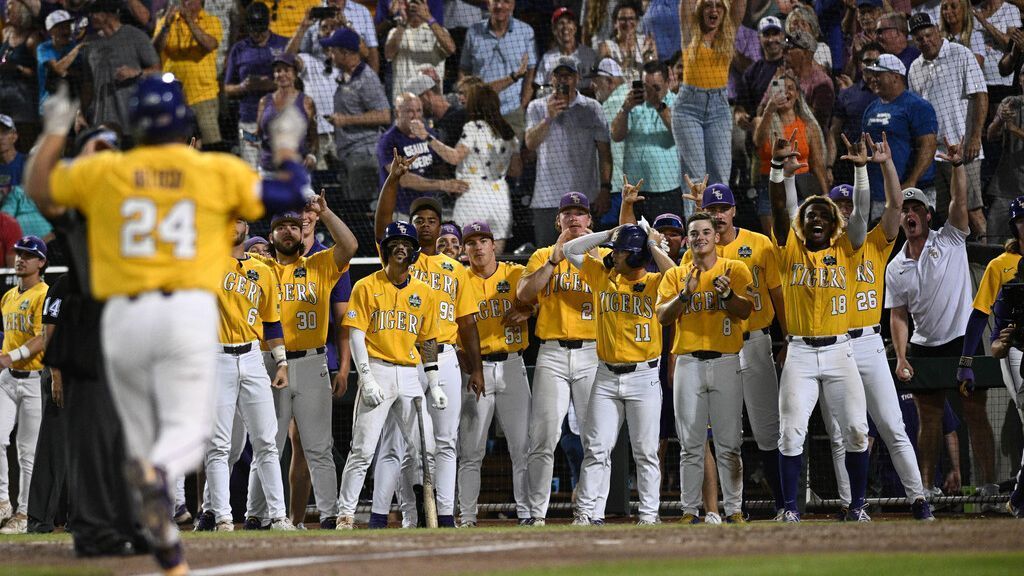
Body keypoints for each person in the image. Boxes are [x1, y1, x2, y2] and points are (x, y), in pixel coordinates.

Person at [24, 75, 319, 574]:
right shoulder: (211, 170)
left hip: (121, 317)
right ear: (183, 121)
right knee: (191, 429)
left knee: (135, 428)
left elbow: (37, 185)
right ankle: (157, 476)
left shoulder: (107, 172)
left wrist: (55, 126)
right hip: (184, 313)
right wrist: (287, 143)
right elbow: (291, 190)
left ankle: (161, 534)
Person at [817, 133, 934, 521]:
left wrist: (883, 164)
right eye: (839, 205)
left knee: (892, 425)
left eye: (850, 204)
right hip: (833, 347)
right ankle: (856, 506)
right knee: (843, 434)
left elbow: (897, 204)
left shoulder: (877, 241)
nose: (846, 210)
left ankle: (919, 500)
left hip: (868, 343)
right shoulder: (819, 251)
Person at [886, 138, 999, 512]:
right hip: (925, 346)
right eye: (905, 209)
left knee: (975, 413)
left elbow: (959, 205)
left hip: (963, 344)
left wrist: (956, 168)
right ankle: (926, 490)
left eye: (917, 207)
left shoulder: (950, 238)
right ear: (901, 218)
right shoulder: (895, 267)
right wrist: (902, 357)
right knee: (929, 419)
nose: (911, 213)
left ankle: (990, 487)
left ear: (928, 216)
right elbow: (898, 315)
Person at [371, 169, 484, 529]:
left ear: (440, 227)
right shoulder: (400, 258)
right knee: (402, 442)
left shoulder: (456, 269)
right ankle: (408, 515)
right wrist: (392, 181)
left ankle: (446, 515)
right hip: (404, 357)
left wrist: (477, 368)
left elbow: (467, 322)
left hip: (446, 357)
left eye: (431, 221)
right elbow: (381, 226)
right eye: (418, 220)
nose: (424, 225)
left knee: (446, 440)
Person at [769, 129, 871, 522]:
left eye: (824, 215)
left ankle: (858, 507)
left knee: (857, 430)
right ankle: (790, 510)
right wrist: (778, 169)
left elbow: (860, 215)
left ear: (833, 225)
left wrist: (861, 173)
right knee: (791, 432)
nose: (816, 218)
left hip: (839, 350)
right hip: (799, 353)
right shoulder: (790, 248)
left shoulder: (845, 248)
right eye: (810, 214)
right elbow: (781, 210)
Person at [673, 178, 789, 519]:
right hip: (712, 349)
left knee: (766, 429)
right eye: (711, 210)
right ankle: (714, 509)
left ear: (734, 211)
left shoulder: (759, 243)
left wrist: (788, 339)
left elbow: (778, 295)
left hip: (753, 342)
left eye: (723, 208)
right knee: (714, 434)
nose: (718, 215)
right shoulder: (696, 252)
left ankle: (784, 505)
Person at [246, 201, 357, 530]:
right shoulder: (259, 268)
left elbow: (349, 245)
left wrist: (325, 212)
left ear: (304, 232)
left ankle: (328, 514)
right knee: (268, 444)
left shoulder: (320, 264)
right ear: (272, 236)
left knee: (319, 446)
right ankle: (256, 515)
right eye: (281, 227)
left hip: (312, 363)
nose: (289, 231)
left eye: (294, 226)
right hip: (269, 363)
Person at [566, 218, 674, 526]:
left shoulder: (654, 283)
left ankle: (649, 516)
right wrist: (609, 235)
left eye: (622, 252)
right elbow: (570, 249)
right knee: (597, 449)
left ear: (638, 255)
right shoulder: (603, 274)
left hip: (644, 376)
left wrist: (652, 244)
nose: (614, 255)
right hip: (606, 376)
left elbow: (677, 276)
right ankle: (586, 514)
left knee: (646, 452)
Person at [336, 220, 442, 530]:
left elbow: (429, 340)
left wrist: (433, 382)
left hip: (410, 375)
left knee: (426, 450)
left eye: (406, 244)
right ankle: (345, 515)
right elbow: (356, 334)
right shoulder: (366, 285)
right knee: (363, 449)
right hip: (378, 370)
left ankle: (418, 517)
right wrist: (366, 377)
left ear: (414, 252)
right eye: (394, 242)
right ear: (384, 249)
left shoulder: (425, 292)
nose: (401, 247)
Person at [656, 210, 754, 524]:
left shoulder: (735, 269)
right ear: (689, 239)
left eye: (705, 232)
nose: (700, 238)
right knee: (690, 444)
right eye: (694, 233)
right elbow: (663, 317)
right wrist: (685, 294)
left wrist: (726, 294)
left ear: (715, 237)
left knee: (729, 443)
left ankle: (735, 509)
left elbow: (744, 311)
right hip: (688, 362)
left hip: (726, 360)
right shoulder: (676, 275)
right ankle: (689, 510)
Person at [517, 191, 608, 526]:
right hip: (552, 353)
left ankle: (591, 512)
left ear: (589, 221)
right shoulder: (543, 254)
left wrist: (594, 251)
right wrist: (554, 260)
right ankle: (535, 515)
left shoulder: (604, 257)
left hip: (592, 353)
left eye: (580, 213)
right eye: (567, 213)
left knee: (594, 439)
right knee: (543, 438)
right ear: (558, 221)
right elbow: (524, 295)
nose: (573, 218)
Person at [202, 219, 296, 532]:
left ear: (246, 226)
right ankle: (223, 518)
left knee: (267, 441)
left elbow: (272, 322)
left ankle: (279, 516)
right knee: (219, 445)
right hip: (216, 356)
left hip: (254, 356)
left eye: (239, 219)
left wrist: (281, 362)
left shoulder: (264, 270)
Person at [456, 221, 533, 526]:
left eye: (482, 240)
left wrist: (529, 310)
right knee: (471, 451)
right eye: (471, 242)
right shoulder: (459, 279)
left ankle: (528, 514)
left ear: (493, 244)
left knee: (522, 447)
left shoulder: (515, 273)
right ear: (465, 249)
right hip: (478, 369)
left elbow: (543, 300)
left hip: (513, 365)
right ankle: (468, 516)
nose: (477, 247)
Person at [956, 196, 1024, 518]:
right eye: (1022, 220)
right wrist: (966, 362)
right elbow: (979, 314)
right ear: (1015, 226)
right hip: (1013, 350)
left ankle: (1017, 499)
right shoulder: (1000, 264)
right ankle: (1017, 500)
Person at [908, 13, 988, 239]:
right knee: (945, 213)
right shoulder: (915, 67)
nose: (925, 41)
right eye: (919, 38)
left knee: (972, 209)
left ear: (937, 30)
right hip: (935, 154)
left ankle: (989, 257)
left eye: (928, 34)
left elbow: (980, 95)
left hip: (963, 148)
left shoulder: (960, 54)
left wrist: (975, 137)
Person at [422, 84, 521, 254]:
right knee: (494, 260)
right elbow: (516, 171)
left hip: (473, 196)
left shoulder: (473, 127)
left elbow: (454, 157)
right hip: (500, 199)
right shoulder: (508, 132)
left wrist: (427, 138)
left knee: (463, 256)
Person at [525, 56, 611, 247]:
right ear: (552, 78)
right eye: (559, 75)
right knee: (548, 259)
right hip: (547, 199)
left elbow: (605, 153)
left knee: (586, 260)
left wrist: (605, 189)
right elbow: (530, 143)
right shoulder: (537, 107)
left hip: (584, 198)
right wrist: (548, 118)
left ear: (577, 78)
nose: (563, 80)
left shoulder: (592, 107)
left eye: (568, 75)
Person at [0, 236, 49, 535]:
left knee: (27, 453)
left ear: (41, 262)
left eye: (28, 255)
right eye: (19, 254)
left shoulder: (44, 293)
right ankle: (2, 501)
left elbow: (43, 337)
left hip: (33, 380)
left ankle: (24, 513)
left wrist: (10, 356)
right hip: (7, 380)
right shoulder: (7, 296)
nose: (20, 259)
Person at [672, 0, 746, 191]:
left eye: (718, 6)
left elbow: (740, 4)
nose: (713, 10)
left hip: (719, 109)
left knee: (720, 177)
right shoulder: (690, 34)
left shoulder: (727, 35)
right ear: (700, 10)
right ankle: (695, 221)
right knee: (695, 179)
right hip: (688, 109)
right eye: (707, 5)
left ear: (724, 11)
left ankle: (718, 220)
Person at [861, 54, 937, 219]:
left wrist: (912, 181)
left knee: (917, 240)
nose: (873, 79)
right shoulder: (871, 109)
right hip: (880, 193)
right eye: (872, 75)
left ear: (896, 76)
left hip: (913, 192)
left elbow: (928, 145)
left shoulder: (917, 105)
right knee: (882, 242)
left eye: (878, 75)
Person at [753, 70, 829, 231]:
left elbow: (817, 164)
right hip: (770, 187)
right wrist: (769, 110)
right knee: (775, 241)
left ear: (797, 95)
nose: (786, 92)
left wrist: (825, 194)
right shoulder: (762, 121)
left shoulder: (809, 126)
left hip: (802, 187)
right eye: (780, 88)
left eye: (790, 88)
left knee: (802, 239)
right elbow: (758, 142)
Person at [322, 27, 391, 202]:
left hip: (365, 157)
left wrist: (346, 120)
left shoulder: (367, 79)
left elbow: (384, 115)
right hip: (351, 154)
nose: (330, 54)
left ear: (345, 53)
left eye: (333, 50)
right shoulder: (346, 75)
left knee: (364, 209)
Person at [610, 60, 680, 223]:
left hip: (666, 191)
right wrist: (625, 109)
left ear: (668, 83)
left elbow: (679, 134)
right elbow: (616, 135)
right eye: (645, 87)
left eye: (655, 88)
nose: (649, 93)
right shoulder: (633, 104)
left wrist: (658, 105)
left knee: (666, 244)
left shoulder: (677, 102)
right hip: (634, 192)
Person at [379, 92, 467, 217]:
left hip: (429, 209)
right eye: (410, 111)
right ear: (398, 112)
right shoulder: (388, 140)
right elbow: (404, 179)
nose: (415, 116)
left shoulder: (428, 135)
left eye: (419, 111)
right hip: (400, 212)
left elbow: (440, 165)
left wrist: (454, 187)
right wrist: (444, 185)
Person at [224, 2, 289, 169]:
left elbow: (296, 82)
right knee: (251, 168)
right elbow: (227, 88)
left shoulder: (282, 44)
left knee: (280, 168)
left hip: (280, 118)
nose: (257, 34)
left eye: (260, 29)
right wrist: (244, 87)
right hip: (249, 121)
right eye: (253, 29)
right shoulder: (239, 49)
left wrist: (272, 84)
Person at [459, 0, 536, 136]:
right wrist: (468, 98)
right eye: (495, 1)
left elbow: (530, 73)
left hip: (512, 114)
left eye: (505, 1)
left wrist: (521, 105)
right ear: (488, 4)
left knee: (513, 157)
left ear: (513, 5)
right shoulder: (473, 31)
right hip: (479, 113)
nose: (500, 6)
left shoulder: (526, 32)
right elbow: (464, 69)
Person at [152, 0, 223, 148]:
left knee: (211, 146)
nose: (185, 2)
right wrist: (166, 25)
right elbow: (154, 49)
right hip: (173, 97)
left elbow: (209, 44)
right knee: (178, 146)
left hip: (204, 95)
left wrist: (189, 21)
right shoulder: (167, 21)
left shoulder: (211, 21)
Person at [83, 0, 161, 132]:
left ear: (109, 14)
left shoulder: (136, 36)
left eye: (95, 12)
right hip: (101, 123)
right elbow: (87, 85)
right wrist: (81, 112)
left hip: (132, 121)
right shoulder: (89, 44)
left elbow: (158, 70)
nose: (91, 16)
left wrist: (137, 72)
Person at [256, 53, 318, 172]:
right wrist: (242, 134)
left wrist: (311, 156)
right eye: (278, 71)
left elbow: (313, 137)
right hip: (268, 169)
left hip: (297, 170)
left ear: (295, 75)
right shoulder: (264, 102)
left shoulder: (307, 102)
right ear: (274, 75)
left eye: (286, 70)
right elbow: (257, 135)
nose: (282, 74)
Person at [384, 0, 455, 102]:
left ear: (426, 6)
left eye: (418, 3)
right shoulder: (395, 32)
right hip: (404, 102)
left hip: (432, 103)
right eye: (410, 3)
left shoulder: (437, 31)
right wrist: (403, 22)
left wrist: (429, 17)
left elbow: (451, 49)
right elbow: (389, 54)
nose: (413, 7)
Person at [986, 70, 1024, 244]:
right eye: (1023, 74)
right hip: (1007, 184)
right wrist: (1000, 120)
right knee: (993, 235)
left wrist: (1014, 130)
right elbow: (990, 135)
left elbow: (1013, 131)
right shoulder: (1010, 103)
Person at [0, 0, 42, 147]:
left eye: (10, 10)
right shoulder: (6, 33)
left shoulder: (32, 39)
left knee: (22, 146)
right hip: (4, 102)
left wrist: (17, 68)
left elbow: (41, 73)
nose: (6, 12)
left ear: (22, 13)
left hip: (24, 106)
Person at [36, 10, 87, 116]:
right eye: (61, 27)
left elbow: (82, 75)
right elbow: (58, 69)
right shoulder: (44, 48)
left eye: (67, 26)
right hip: (49, 107)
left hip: (72, 107)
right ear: (50, 31)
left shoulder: (72, 46)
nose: (66, 31)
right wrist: (77, 49)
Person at [782, 30, 835, 132]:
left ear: (806, 52)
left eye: (790, 48)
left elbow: (818, 123)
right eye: (785, 48)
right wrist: (777, 83)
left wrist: (794, 94)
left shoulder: (822, 83)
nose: (785, 52)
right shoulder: (785, 75)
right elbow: (769, 104)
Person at [537, 8, 597, 91]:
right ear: (554, 30)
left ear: (575, 28)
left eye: (569, 22)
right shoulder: (547, 58)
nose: (565, 27)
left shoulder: (590, 54)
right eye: (561, 23)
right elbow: (540, 87)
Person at [596, 1, 655, 84]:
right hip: (618, 93)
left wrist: (648, 56)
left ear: (637, 21)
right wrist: (629, 58)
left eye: (631, 18)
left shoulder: (646, 42)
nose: (627, 23)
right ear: (615, 23)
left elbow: (654, 72)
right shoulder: (606, 46)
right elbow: (610, 78)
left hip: (643, 90)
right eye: (623, 19)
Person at [939, 0, 985, 66]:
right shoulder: (939, 38)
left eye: (954, 6)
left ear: (964, 9)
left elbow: (977, 64)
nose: (948, 11)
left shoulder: (975, 35)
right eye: (945, 7)